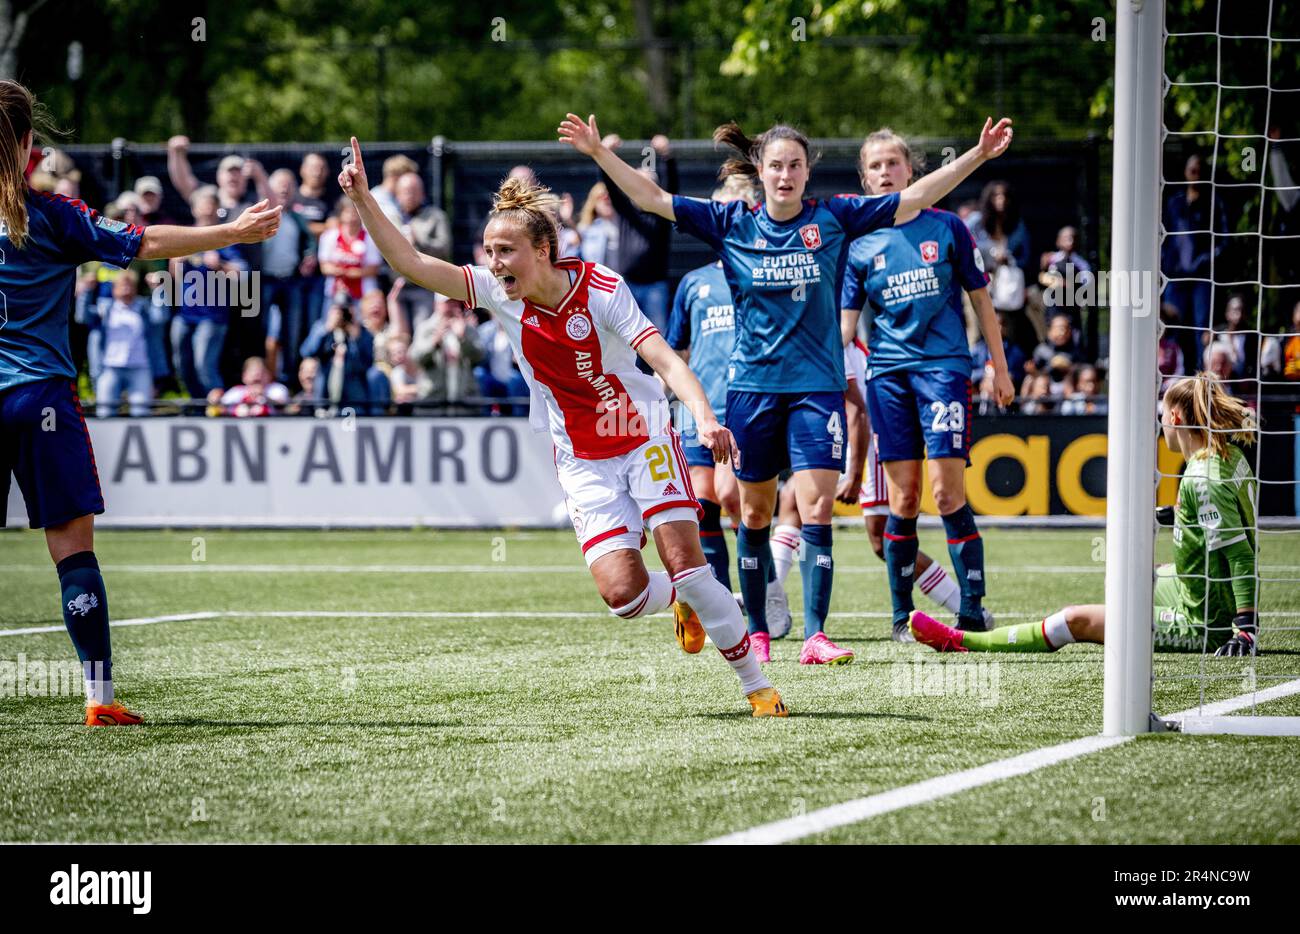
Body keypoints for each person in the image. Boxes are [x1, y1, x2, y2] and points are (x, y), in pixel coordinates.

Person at [339, 135, 787, 717]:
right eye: (489, 251)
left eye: (507, 252)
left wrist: (703, 417)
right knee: (622, 597)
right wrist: (363, 201)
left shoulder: (601, 287)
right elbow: (411, 263)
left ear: (544, 248)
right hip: (581, 455)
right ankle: (685, 599)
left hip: (644, 434)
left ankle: (756, 686)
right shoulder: (500, 297)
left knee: (687, 562)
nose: (495, 264)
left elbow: (666, 359)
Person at [562, 111, 1014, 666]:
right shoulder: (732, 223)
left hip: (816, 390)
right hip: (751, 390)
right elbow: (653, 198)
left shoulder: (837, 218)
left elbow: (915, 197)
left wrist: (977, 155)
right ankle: (757, 632)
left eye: (795, 165)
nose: (785, 175)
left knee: (817, 506)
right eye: (775, 165)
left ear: (806, 172)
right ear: (760, 169)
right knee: (752, 514)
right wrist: (599, 154)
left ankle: (816, 635)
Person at [0, 79, 280, 725]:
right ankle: (98, 698)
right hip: (41, 395)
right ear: (26, 146)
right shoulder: (53, 215)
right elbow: (144, 244)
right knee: (72, 551)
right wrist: (232, 229)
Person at [911, 374, 1259, 657]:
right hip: (1196, 590)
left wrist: (1245, 629)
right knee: (1128, 576)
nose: (1161, 426)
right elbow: (1223, 517)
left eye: (1161, 417)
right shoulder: (1223, 459)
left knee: (1075, 619)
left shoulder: (1202, 478)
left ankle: (962, 641)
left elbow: (1239, 554)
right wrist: (1173, 514)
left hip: (1203, 622)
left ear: (1175, 418)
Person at [840, 128, 1016, 642]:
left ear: (910, 170)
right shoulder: (858, 243)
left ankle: (972, 610)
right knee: (904, 499)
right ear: (865, 177)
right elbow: (847, 325)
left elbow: (982, 301)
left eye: (893, 162)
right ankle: (900, 617)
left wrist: (998, 368)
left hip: (943, 370)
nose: (885, 171)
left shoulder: (949, 228)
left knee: (945, 492)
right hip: (887, 376)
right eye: (875, 165)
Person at [665, 174, 793, 639]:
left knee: (738, 503)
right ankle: (722, 599)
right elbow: (677, 350)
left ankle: (769, 589)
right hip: (699, 408)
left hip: (743, 405)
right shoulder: (695, 283)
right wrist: (669, 399)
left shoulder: (765, 274)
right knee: (702, 506)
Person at [216, 357, 290, 417]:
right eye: (252, 371)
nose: (257, 374)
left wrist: (264, 396)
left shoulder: (277, 389)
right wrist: (216, 397)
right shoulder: (236, 391)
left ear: (269, 376)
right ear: (244, 377)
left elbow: (282, 407)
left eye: (262, 372)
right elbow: (220, 408)